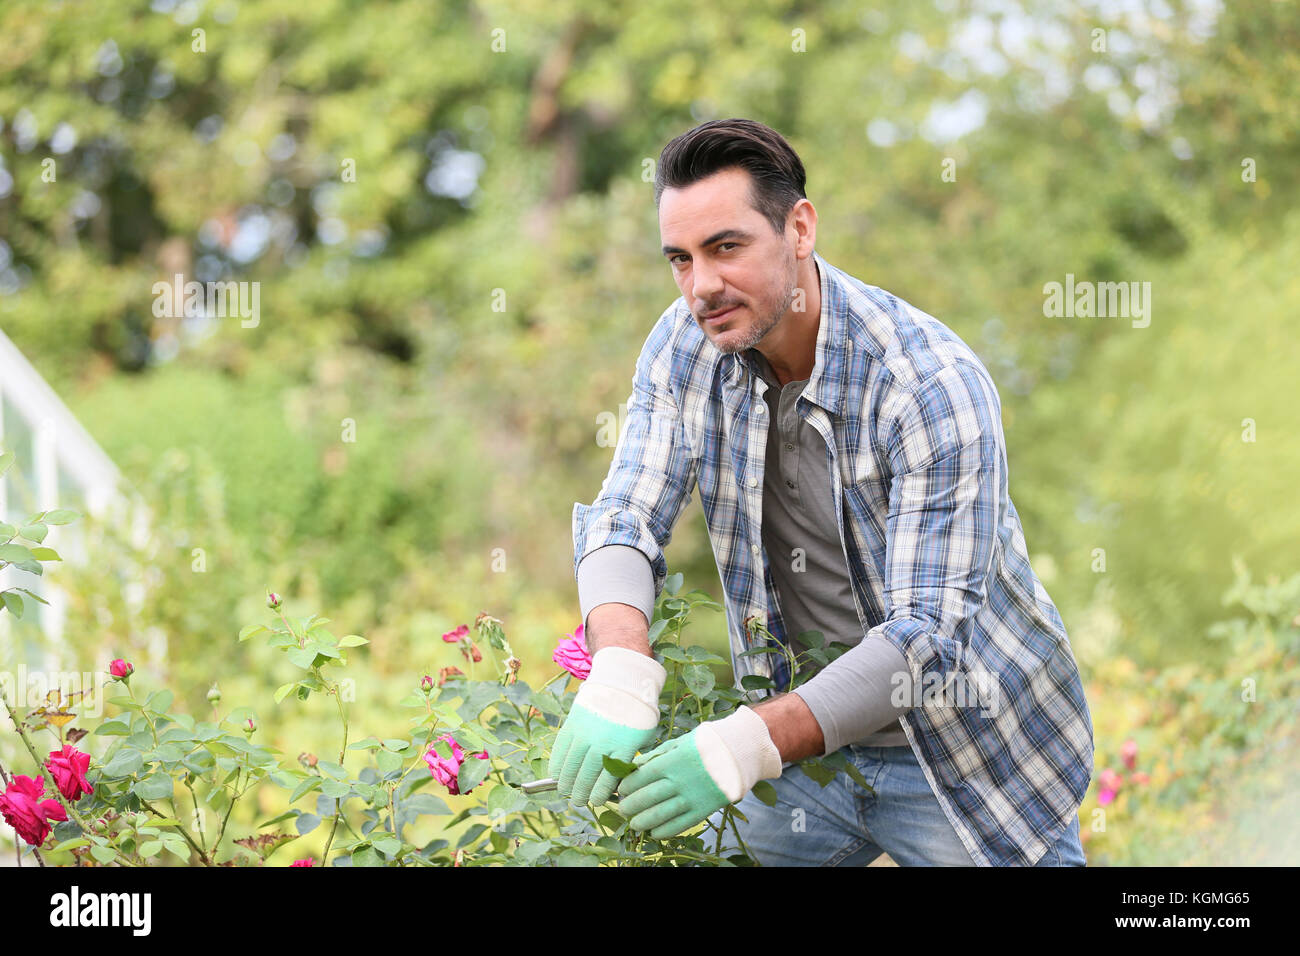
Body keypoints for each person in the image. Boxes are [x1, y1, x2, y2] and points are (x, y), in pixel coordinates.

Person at [549, 118, 1093, 866]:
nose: (701, 285)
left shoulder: (928, 384)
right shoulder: (684, 346)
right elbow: (626, 513)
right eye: (680, 258)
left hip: (958, 751)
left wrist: (742, 746)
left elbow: (925, 639)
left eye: (727, 247)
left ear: (799, 229)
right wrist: (620, 667)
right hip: (799, 760)